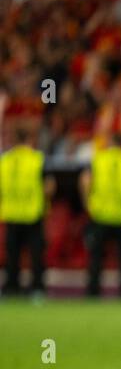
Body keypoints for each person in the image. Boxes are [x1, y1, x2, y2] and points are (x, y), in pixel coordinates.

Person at [81, 131, 121, 298]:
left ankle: (93, 292)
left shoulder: (99, 159)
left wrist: (88, 203)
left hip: (100, 213)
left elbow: (85, 181)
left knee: (96, 257)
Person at [0, 122, 54, 296]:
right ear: (30, 139)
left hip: (11, 213)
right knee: (36, 255)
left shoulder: (5, 160)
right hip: (33, 213)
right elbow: (48, 186)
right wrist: (46, 203)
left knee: (12, 256)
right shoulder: (37, 158)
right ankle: (37, 289)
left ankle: (10, 288)